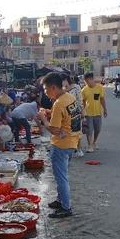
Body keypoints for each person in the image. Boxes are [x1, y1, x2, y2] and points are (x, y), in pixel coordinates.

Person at [37, 72, 82, 219]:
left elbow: (54, 129)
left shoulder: (58, 103)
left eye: (46, 90)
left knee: (61, 177)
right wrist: (50, 112)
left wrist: (43, 118)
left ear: (54, 87)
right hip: (72, 142)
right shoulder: (69, 97)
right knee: (62, 175)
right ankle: (61, 199)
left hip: (61, 145)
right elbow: (67, 117)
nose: (45, 93)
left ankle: (66, 207)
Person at [81, 72, 107, 152]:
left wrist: (105, 109)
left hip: (98, 113)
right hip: (88, 114)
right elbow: (83, 102)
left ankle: (94, 141)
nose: (86, 83)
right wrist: (82, 112)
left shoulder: (100, 88)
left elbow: (102, 99)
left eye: (87, 81)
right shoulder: (84, 90)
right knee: (89, 130)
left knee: (97, 129)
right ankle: (90, 145)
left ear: (92, 79)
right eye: (85, 81)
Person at [62, 75, 84, 158]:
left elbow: (80, 100)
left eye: (63, 80)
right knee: (68, 131)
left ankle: (79, 149)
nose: (62, 82)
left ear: (67, 80)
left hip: (75, 113)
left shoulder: (76, 87)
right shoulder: (62, 89)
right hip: (65, 114)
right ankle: (69, 148)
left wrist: (82, 111)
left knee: (77, 131)